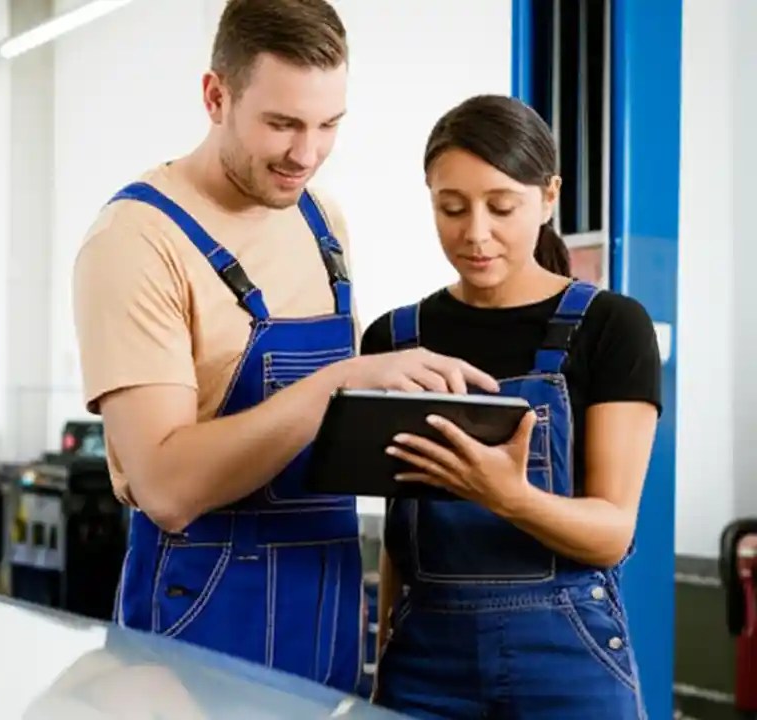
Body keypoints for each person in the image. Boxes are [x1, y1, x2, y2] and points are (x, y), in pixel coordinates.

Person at [71, 0, 499, 691]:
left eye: (328, 125)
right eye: (281, 124)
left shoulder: (320, 220)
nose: (306, 153)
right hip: (202, 612)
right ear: (216, 96)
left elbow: (326, 442)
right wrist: (342, 382)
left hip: (327, 599)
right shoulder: (136, 242)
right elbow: (168, 488)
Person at [364, 94, 661, 718]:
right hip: (423, 661)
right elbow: (400, 531)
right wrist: (384, 651)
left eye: (502, 207)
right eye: (451, 207)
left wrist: (508, 496)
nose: (476, 233)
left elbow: (612, 533)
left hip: (568, 659)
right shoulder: (393, 341)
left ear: (548, 196)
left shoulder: (610, 327)